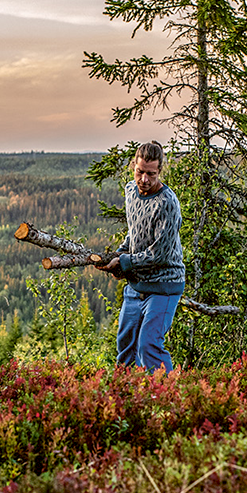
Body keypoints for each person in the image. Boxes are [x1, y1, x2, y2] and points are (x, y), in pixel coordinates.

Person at [96, 141, 184, 373]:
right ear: (133, 166)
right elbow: (134, 233)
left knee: (149, 345)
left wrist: (124, 262)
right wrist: (118, 256)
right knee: (125, 345)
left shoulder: (167, 203)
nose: (144, 179)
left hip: (164, 284)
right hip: (136, 284)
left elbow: (160, 253)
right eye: (140, 171)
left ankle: (166, 397)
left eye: (151, 174)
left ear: (160, 171)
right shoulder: (130, 192)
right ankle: (127, 398)